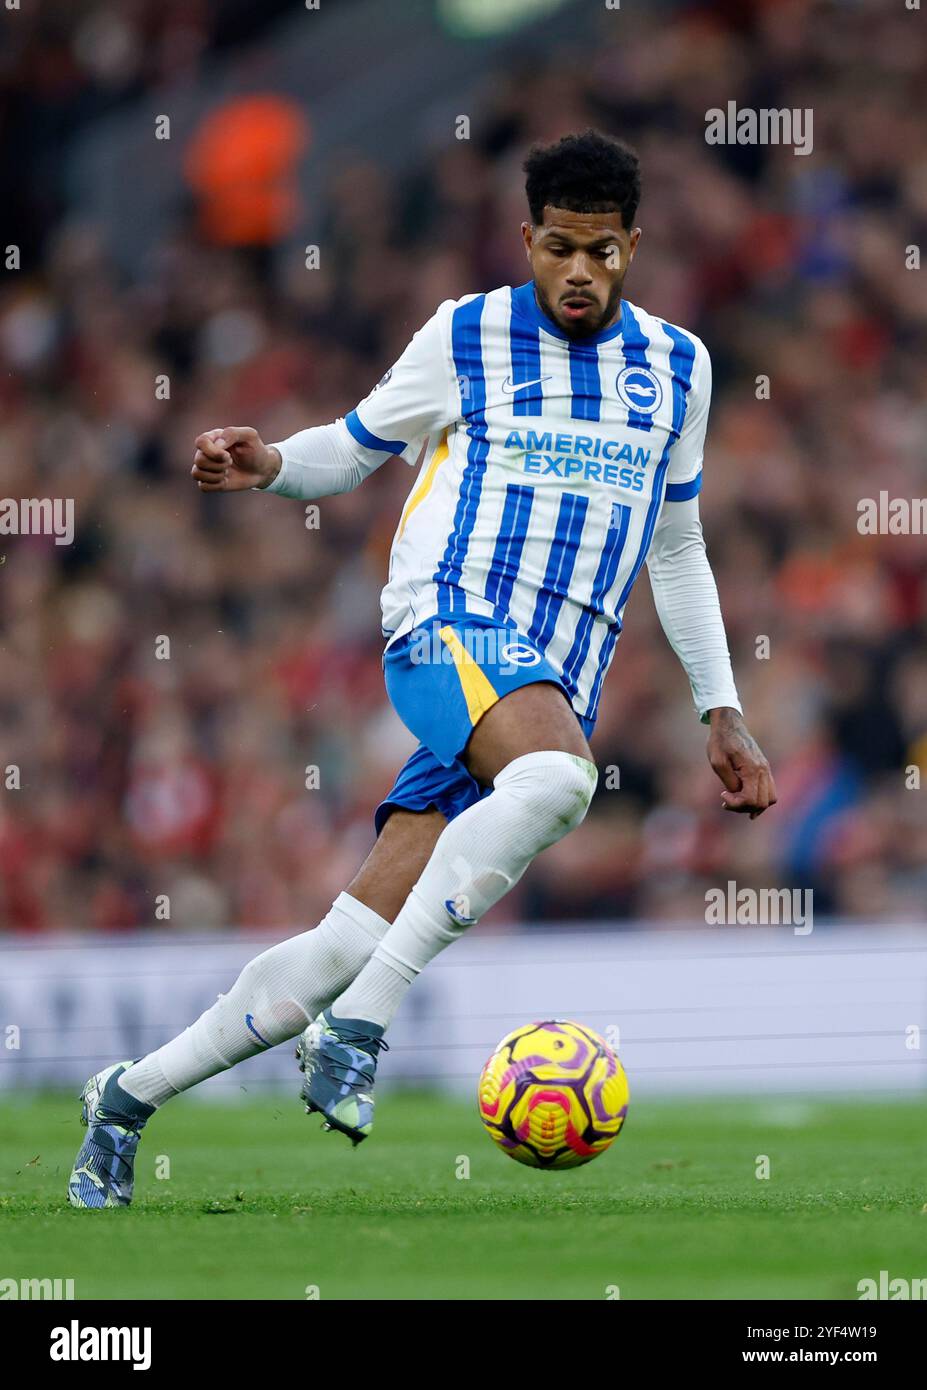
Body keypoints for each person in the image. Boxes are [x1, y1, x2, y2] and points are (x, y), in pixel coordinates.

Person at [68, 130, 776, 1209]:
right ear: (527, 239)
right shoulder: (467, 334)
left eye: (602, 251)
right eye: (558, 248)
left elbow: (676, 546)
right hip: (447, 624)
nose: (579, 271)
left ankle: (123, 1100)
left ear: (633, 245)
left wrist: (720, 706)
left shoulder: (680, 368)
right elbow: (350, 447)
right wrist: (269, 467)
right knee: (560, 781)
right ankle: (365, 1027)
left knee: (341, 942)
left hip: (543, 683)